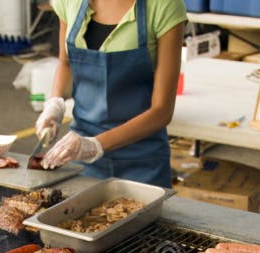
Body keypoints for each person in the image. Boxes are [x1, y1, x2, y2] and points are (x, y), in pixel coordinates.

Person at [35, 0, 187, 187]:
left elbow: (162, 111)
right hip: (80, 158)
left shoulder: (163, 5)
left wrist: (95, 145)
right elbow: (65, 64)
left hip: (142, 164)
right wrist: (55, 104)